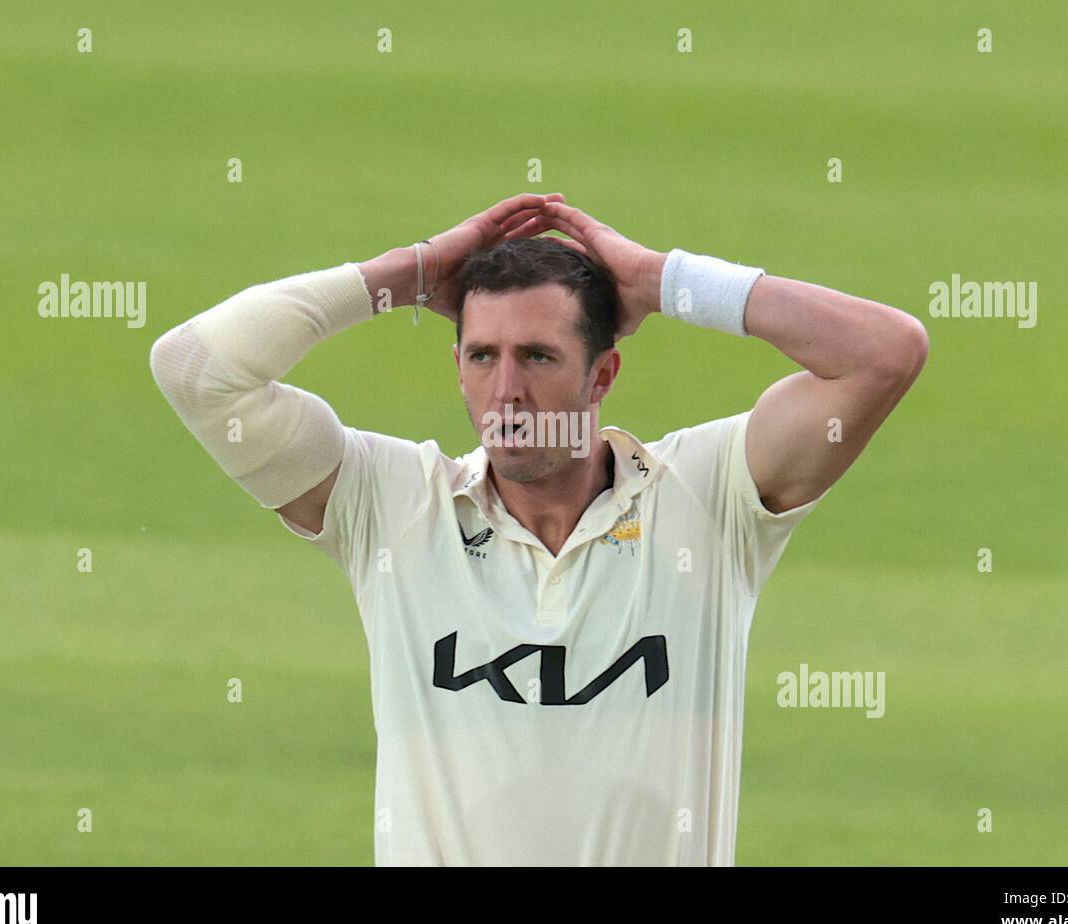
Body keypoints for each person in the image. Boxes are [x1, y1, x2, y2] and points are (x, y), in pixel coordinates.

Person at [149, 192, 928, 865]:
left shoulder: (707, 496)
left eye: (538, 356)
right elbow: (194, 368)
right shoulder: (389, 507)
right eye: (482, 356)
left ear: (603, 375)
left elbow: (883, 352)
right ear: (456, 364)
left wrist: (664, 282)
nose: (507, 391)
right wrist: (408, 275)